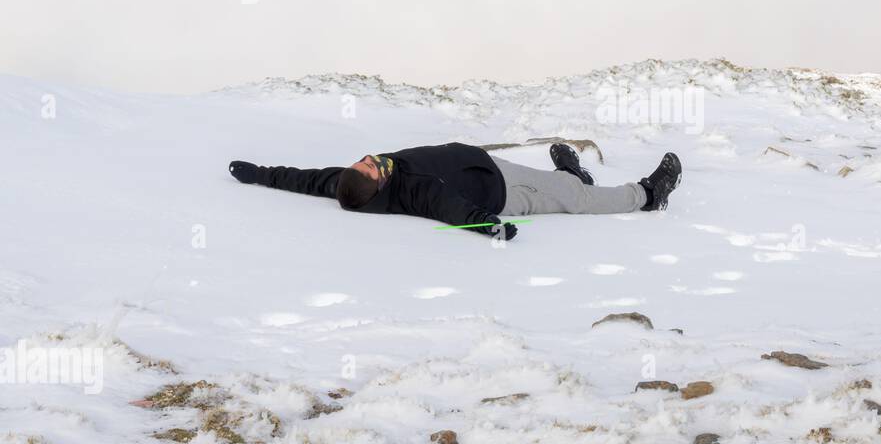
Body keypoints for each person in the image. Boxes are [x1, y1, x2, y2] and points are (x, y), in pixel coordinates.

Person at [227, 143, 681, 241]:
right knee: (575, 202)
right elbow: (451, 208)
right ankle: (647, 195)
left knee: (559, 186)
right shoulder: (414, 190)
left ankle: (572, 176)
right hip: (505, 191)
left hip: (487, 164)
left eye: (364, 161)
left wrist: (257, 172)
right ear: (381, 186)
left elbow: (304, 178)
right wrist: (493, 228)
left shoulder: (347, 183)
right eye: (372, 167)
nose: (371, 158)